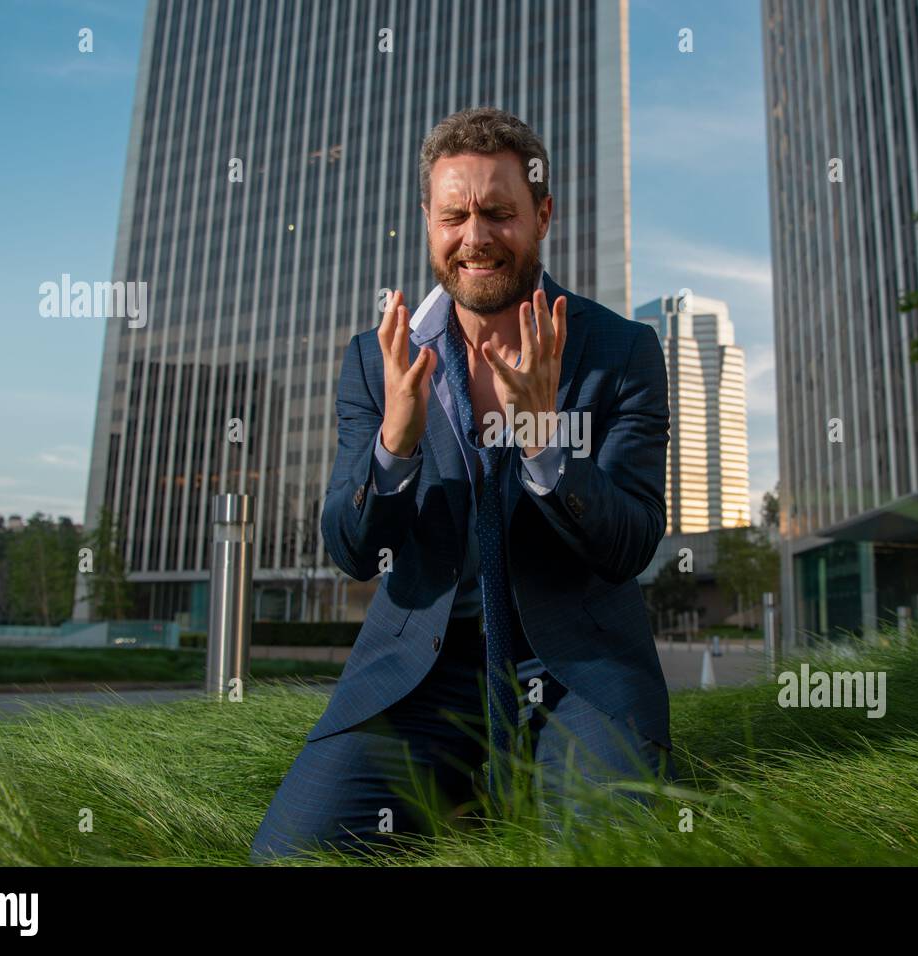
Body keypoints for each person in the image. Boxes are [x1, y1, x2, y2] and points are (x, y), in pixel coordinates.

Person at [250, 107, 673, 862]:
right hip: (419, 675)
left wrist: (546, 443)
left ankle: (509, 777)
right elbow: (351, 549)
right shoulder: (376, 359)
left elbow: (632, 543)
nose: (474, 236)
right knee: (288, 857)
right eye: (455, 216)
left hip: (577, 669)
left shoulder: (622, 352)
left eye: (498, 213)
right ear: (428, 222)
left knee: (606, 857)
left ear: (542, 215)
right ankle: (464, 781)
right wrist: (394, 444)